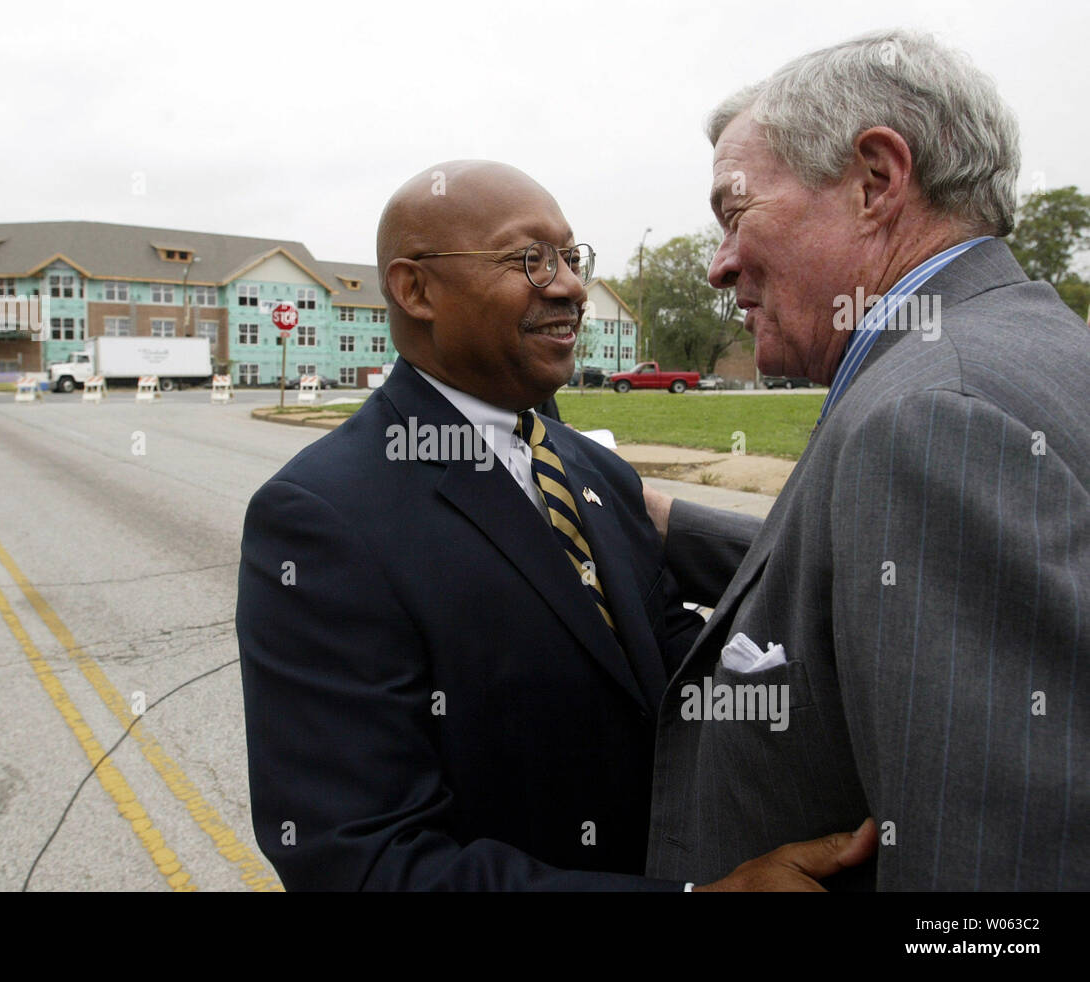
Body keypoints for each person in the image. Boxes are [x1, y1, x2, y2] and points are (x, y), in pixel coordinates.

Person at [237, 159, 876, 890]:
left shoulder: (591, 470)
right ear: (416, 290)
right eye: (530, 260)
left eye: (571, 258)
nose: (570, 286)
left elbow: (682, 682)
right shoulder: (321, 518)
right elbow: (363, 861)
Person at [643, 30, 1089, 891]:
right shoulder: (1013, 347)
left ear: (875, 182)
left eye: (734, 213)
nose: (719, 263)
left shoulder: (932, 414)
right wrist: (674, 527)